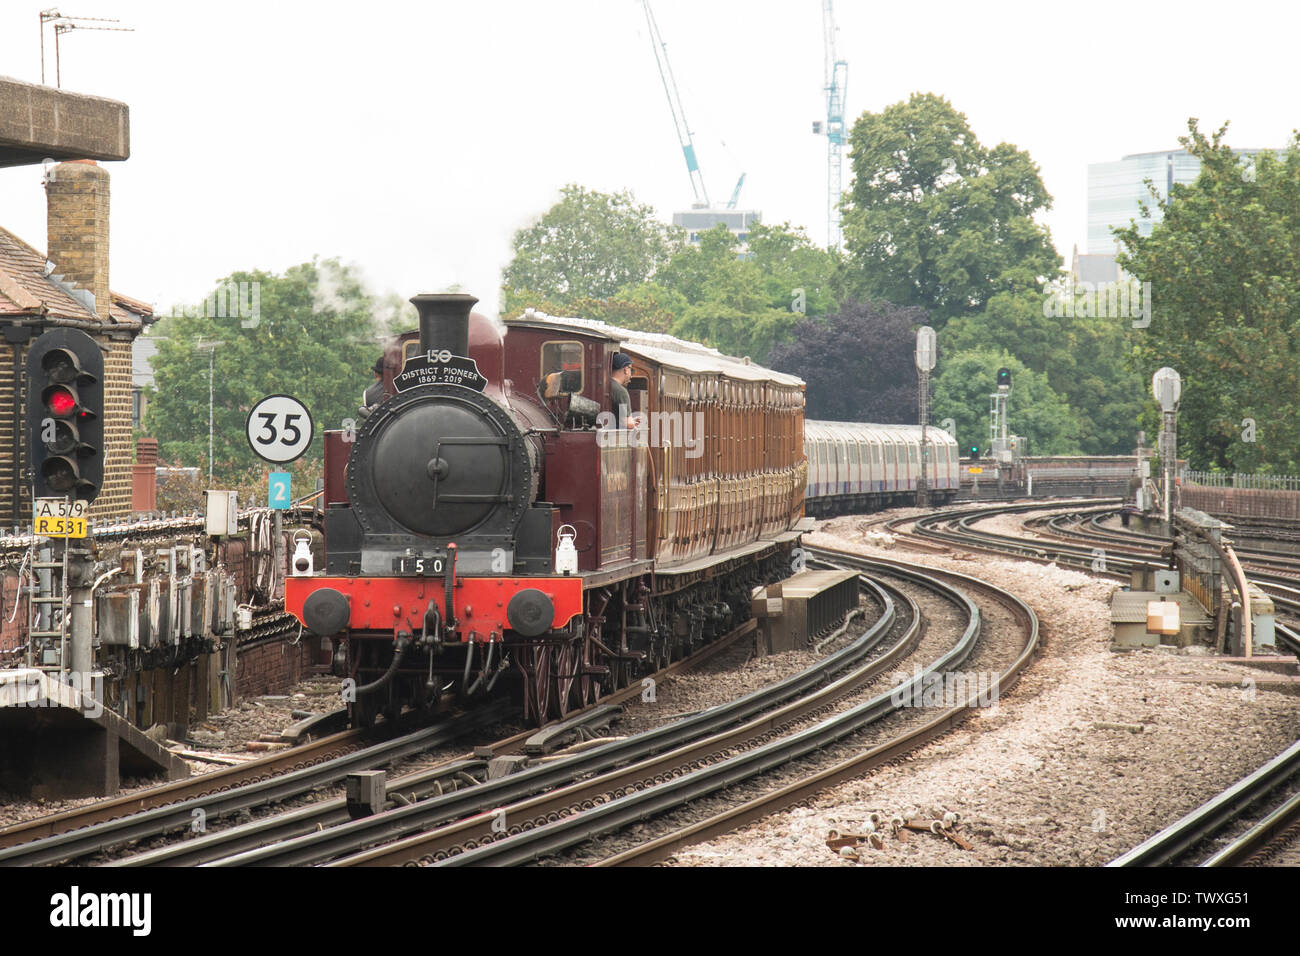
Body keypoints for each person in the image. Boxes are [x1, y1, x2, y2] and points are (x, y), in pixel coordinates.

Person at [610, 352, 642, 430]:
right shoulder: (621, 391)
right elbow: (627, 423)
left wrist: (631, 421)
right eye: (631, 369)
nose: (631, 375)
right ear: (626, 369)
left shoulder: (607, 385)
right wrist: (632, 422)